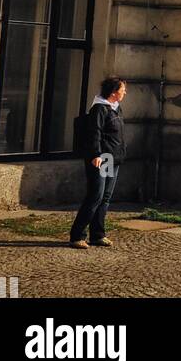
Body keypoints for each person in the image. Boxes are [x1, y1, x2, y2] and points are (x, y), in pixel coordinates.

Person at [69, 77, 127, 249]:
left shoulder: (115, 109)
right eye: (123, 89)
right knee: (95, 196)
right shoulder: (99, 109)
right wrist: (96, 154)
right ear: (114, 92)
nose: (125, 92)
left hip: (111, 158)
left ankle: (98, 234)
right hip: (101, 159)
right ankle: (77, 235)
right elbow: (94, 133)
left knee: (105, 197)